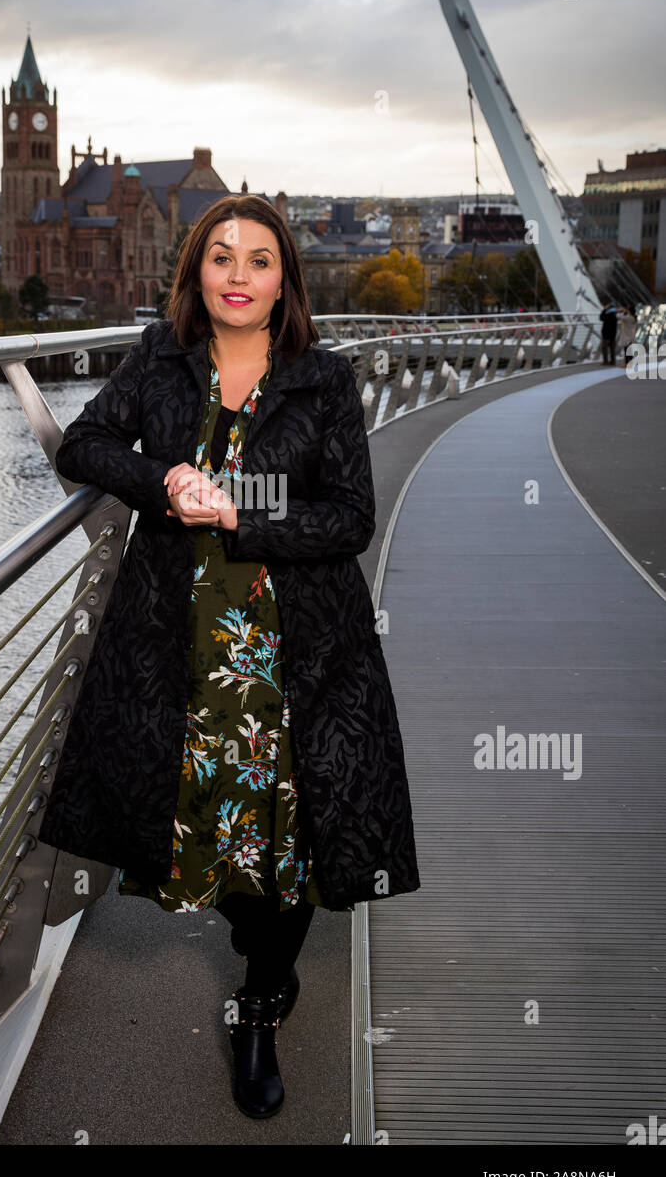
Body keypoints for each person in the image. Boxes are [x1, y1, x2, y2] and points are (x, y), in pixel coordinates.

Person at [38, 193, 420, 1121]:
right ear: (194, 273)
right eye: (221, 258)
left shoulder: (322, 380)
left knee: (293, 841)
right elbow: (82, 444)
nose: (238, 277)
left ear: (284, 275)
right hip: (179, 646)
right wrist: (165, 482)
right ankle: (262, 955)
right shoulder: (159, 361)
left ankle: (256, 1006)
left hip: (298, 653)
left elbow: (348, 517)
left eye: (257, 260)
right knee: (195, 825)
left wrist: (243, 509)